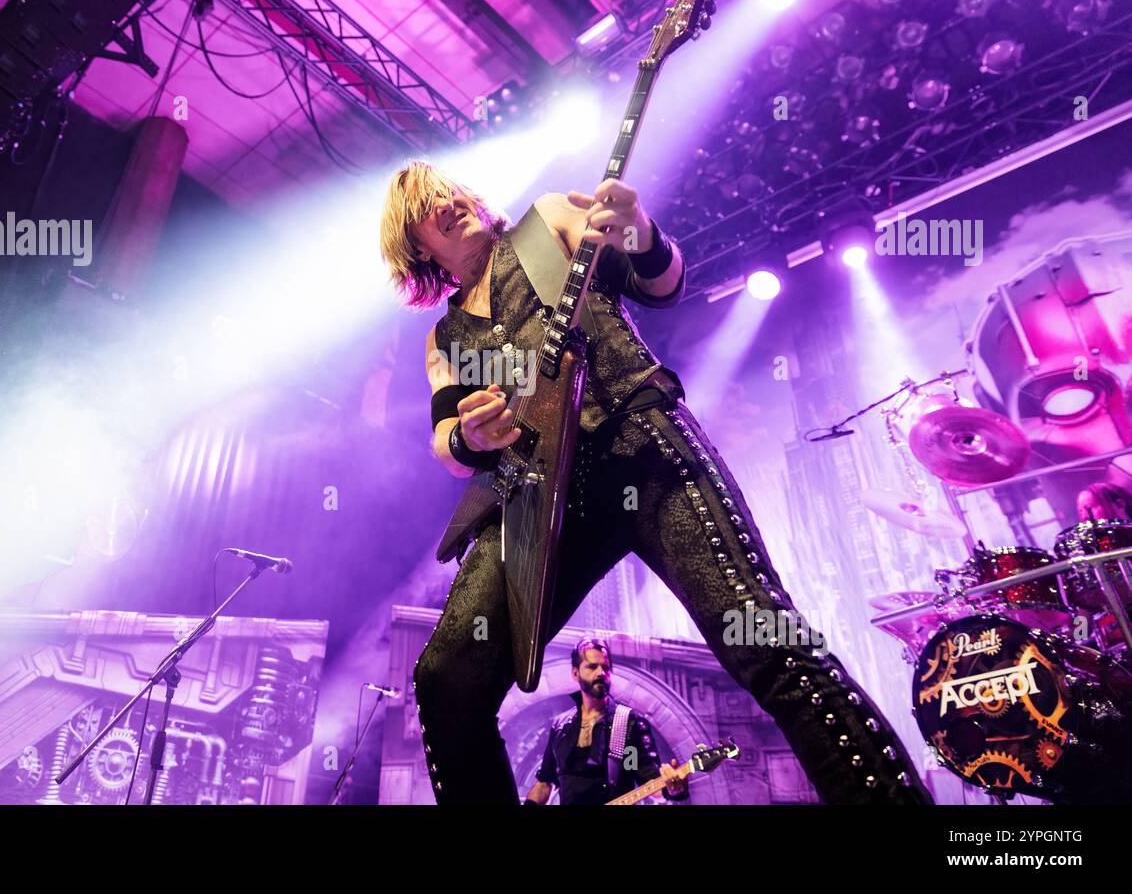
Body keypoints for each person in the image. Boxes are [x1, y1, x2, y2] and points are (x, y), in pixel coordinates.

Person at [378, 159, 932, 805]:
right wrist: (470, 438)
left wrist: (640, 231)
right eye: (429, 205)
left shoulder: (547, 218)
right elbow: (447, 444)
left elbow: (660, 284)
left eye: (453, 190)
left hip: (639, 445)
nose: (449, 202)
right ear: (416, 245)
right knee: (447, 681)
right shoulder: (445, 338)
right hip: (536, 496)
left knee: (762, 637)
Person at [526, 638, 689, 805]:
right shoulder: (560, 726)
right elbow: (545, 783)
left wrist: (674, 788)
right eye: (592, 667)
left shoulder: (627, 723)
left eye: (605, 667)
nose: (601, 673)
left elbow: (647, 780)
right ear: (575, 673)